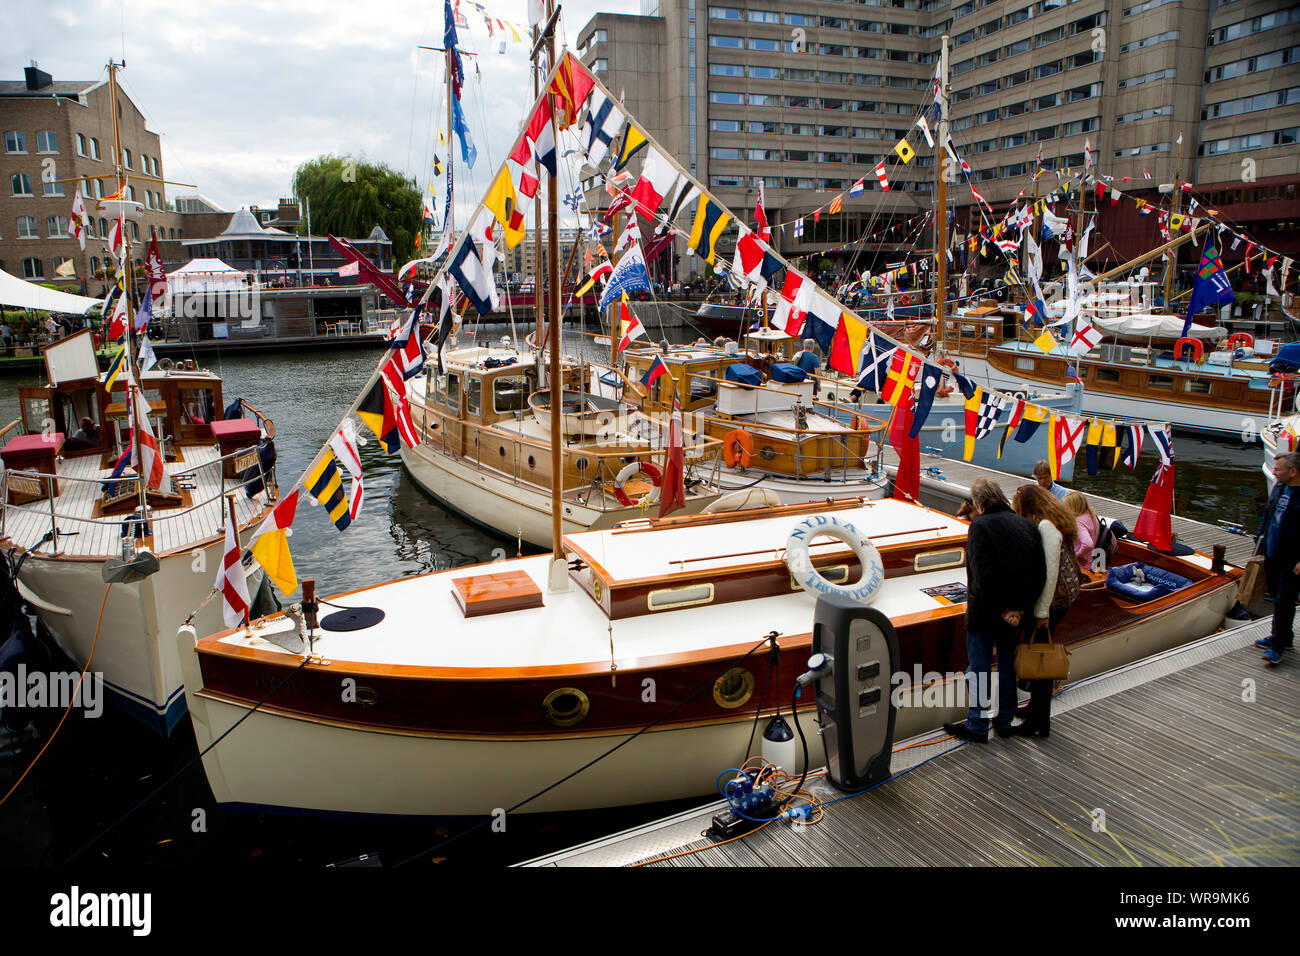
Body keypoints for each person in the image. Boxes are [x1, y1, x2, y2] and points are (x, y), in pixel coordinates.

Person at [944, 477, 1046, 742]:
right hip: (1015, 617)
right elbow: (1038, 574)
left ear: (978, 502)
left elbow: (981, 576)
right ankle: (1004, 721)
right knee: (1007, 666)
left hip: (986, 613)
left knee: (979, 668)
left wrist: (1002, 609)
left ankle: (977, 725)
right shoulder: (1027, 526)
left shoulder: (979, 526)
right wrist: (1019, 610)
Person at [1010, 483, 1081, 737]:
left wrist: (1041, 613)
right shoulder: (1054, 520)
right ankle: (1035, 710)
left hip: (1051, 603)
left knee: (1041, 661)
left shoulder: (1046, 527)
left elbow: (1049, 573)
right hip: (1059, 600)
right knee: (1040, 656)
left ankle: (1039, 722)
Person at [1255, 451, 1300, 664]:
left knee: (1284, 600)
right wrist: (1259, 541)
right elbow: (1268, 513)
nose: (1274, 472)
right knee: (1275, 594)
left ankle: (1277, 647)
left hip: (1291, 559)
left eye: (1279, 469)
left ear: (1293, 472)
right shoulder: (1280, 486)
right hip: (1272, 551)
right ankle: (1284, 636)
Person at [1062, 491, 1100, 572]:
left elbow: (1088, 544)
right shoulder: (1091, 516)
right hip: (1090, 561)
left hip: (1081, 566)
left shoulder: (1078, 522)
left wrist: (1076, 555)